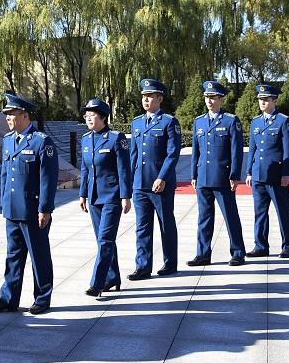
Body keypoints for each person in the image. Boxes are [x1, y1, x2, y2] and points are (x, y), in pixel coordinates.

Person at [0, 94, 59, 315]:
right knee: (13, 256)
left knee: (39, 255)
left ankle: (42, 297)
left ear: (24, 115)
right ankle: (8, 298)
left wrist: (45, 208)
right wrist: (4, 202)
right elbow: (5, 175)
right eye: (6, 114)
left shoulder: (41, 141)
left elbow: (48, 178)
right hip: (13, 209)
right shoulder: (8, 140)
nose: (8, 118)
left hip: (33, 211)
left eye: (12, 114)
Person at [189, 80, 246, 266]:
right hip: (203, 176)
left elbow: (236, 151)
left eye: (213, 97)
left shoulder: (230, 121)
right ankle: (203, 253)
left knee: (230, 216)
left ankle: (237, 252)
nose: (210, 101)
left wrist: (235, 175)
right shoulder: (199, 121)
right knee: (204, 218)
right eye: (207, 97)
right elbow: (195, 152)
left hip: (223, 177)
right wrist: (193, 175)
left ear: (221, 99)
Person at [129, 78, 181, 280]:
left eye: (150, 96)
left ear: (160, 98)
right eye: (144, 96)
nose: (146, 99)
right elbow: (133, 154)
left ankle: (170, 263)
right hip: (140, 184)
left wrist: (162, 177)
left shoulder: (169, 122)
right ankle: (142, 266)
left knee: (166, 223)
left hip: (160, 183)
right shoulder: (137, 123)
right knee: (142, 227)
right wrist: (131, 180)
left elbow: (173, 154)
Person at [79, 98, 131, 296]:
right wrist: (83, 194)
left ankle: (97, 283)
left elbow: (124, 170)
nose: (88, 119)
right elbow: (85, 169)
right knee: (104, 240)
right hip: (94, 197)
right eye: (86, 116)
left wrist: (126, 196)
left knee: (105, 240)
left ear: (102, 117)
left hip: (112, 196)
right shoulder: (86, 139)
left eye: (92, 115)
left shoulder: (116, 138)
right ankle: (112, 277)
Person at [245, 84, 289, 258]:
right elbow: (252, 149)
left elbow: (288, 150)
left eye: (266, 99)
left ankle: (288, 246)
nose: (263, 102)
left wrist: (286, 173)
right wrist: (249, 172)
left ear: (274, 100)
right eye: (260, 99)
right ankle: (260, 246)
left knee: (283, 211)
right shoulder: (256, 122)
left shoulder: (283, 121)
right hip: (259, 174)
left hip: (276, 175)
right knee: (260, 212)